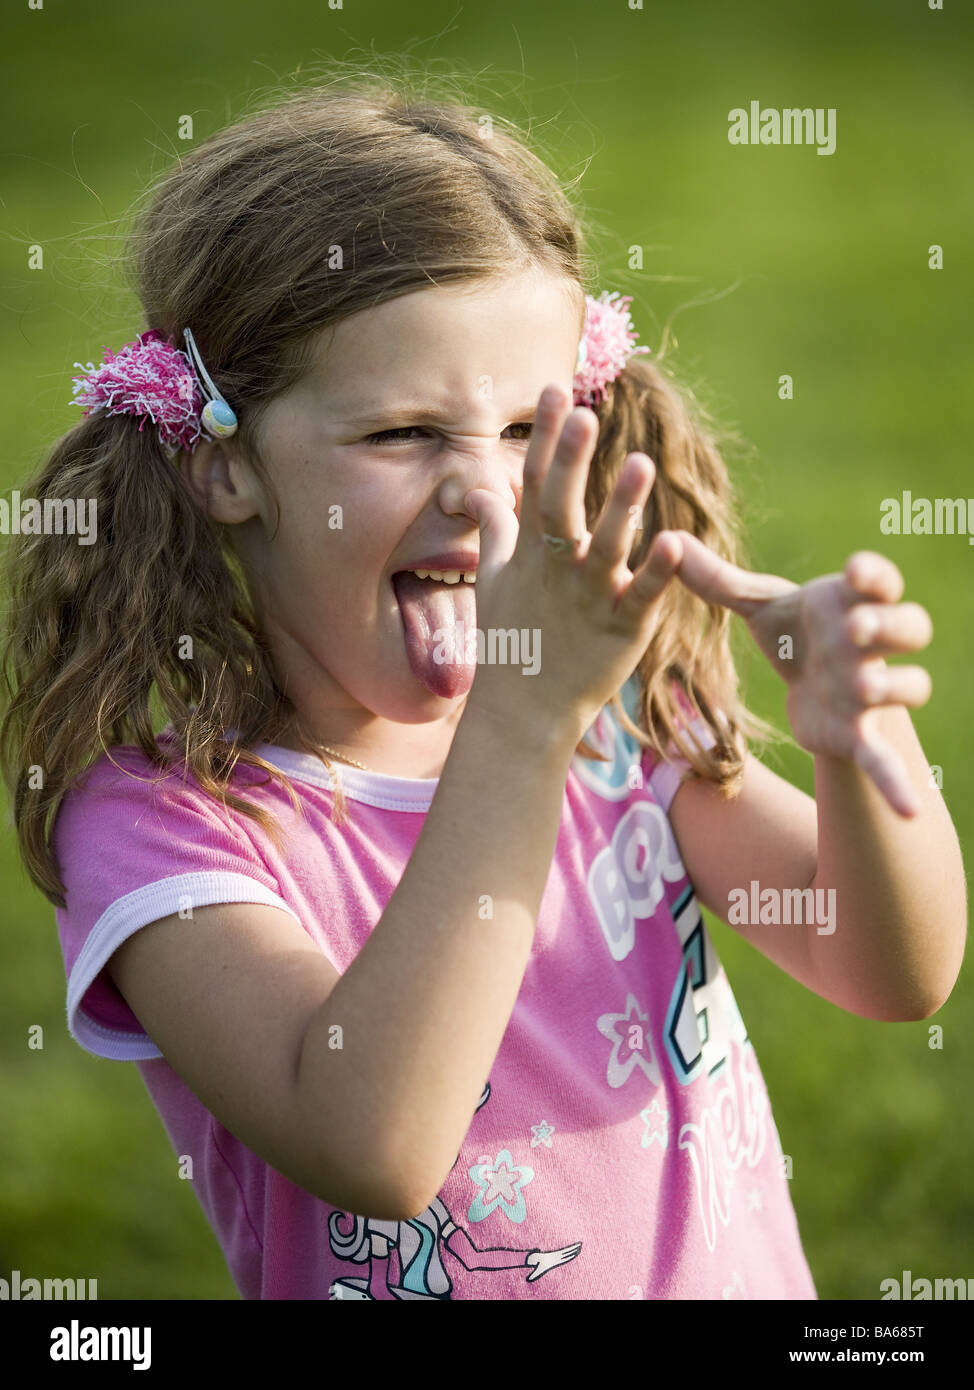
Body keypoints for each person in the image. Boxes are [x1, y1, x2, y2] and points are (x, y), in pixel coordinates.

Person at [1, 76, 965, 1301]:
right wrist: (519, 718)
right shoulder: (165, 823)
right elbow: (373, 1145)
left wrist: (853, 745)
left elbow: (888, 973)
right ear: (222, 463)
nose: (487, 493)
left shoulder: (617, 715)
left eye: (525, 428)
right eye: (404, 433)